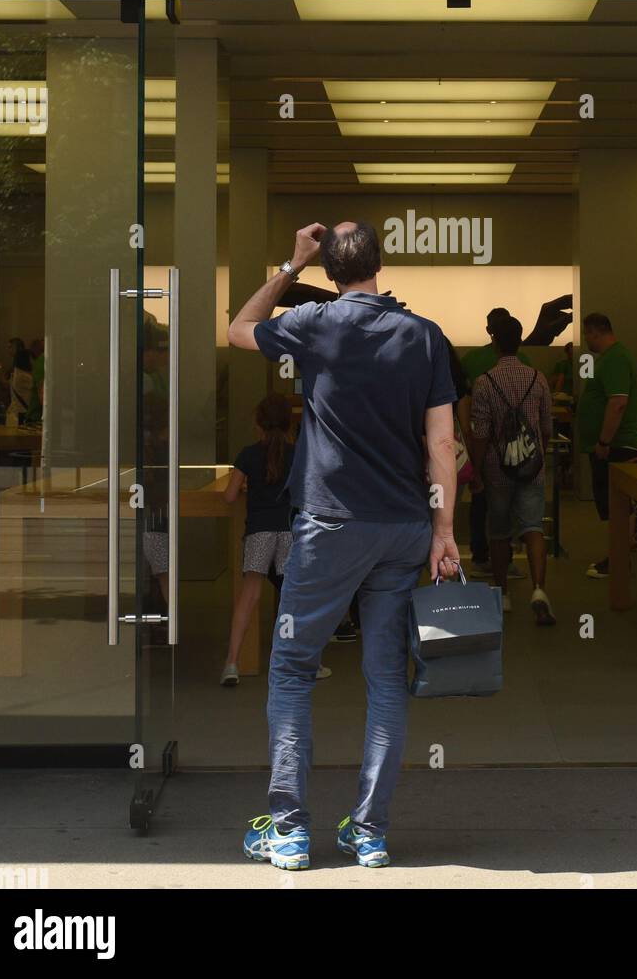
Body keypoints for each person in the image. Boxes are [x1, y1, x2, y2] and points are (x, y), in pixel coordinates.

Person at [228, 219, 459, 871]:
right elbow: (441, 445)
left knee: (293, 668)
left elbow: (238, 329)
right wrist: (443, 532)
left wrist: (289, 263)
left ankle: (290, 830)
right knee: (385, 677)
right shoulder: (424, 337)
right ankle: (369, 832)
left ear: (329, 272)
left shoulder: (316, 325)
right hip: (404, 527)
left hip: (329, 525)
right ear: (379, 265)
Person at [220, 394, 332, 687]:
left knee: (249, 596)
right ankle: (306, 663)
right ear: (287, 423)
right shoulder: (298, 454)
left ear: (258, 422)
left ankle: (231, 663)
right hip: (288, 531)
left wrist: (247, 486)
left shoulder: (248, 454)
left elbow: (230, 496)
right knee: (293, 599)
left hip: (259, 531)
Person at [469, 315, 555, 624]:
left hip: (497, 466)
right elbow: (546, 426)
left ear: (494, 341)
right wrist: (538, 453)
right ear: (520, 342)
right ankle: (539, 589)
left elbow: (481, 433)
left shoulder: (484, 382)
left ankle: (503, 593)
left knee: (500, 530)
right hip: (532, 465)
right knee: (533, 527)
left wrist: (476, 471)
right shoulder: (538, 378)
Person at [461, 308, 530, 580]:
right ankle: (507, 558)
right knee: (509, 506)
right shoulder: (523, 361)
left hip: (481, 442)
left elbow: (463, 405)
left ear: (490, 331)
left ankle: (480, 556)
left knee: (480, 502)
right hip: (515, 445)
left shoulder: (471, 361)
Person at [576, 312, 637, 578]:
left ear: (594, 332)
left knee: (618, 507)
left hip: (616, 445)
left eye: (586, 334)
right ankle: (618, 557)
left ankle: (618, 560)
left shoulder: (614, 359)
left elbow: (618, 403)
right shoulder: (610, 359)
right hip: (611, 444)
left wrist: (604, 441)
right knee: (614, 507)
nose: (586, 340)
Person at [8, 346, 34, 418]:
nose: (32, 361)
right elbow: (36, 386)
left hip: (17, 410)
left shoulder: (16, 372)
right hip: (22, 410)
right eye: (31, 358)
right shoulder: (24, 376)